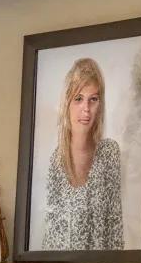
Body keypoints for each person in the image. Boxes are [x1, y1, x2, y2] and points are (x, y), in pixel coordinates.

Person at [42, 57, 124, 251]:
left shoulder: (109, 153)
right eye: (78, 99)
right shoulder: (56, 160)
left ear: (100, 104)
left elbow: (115, 227)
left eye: (93, 99)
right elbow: (50, 236)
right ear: (67, 103)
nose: (86, 109)